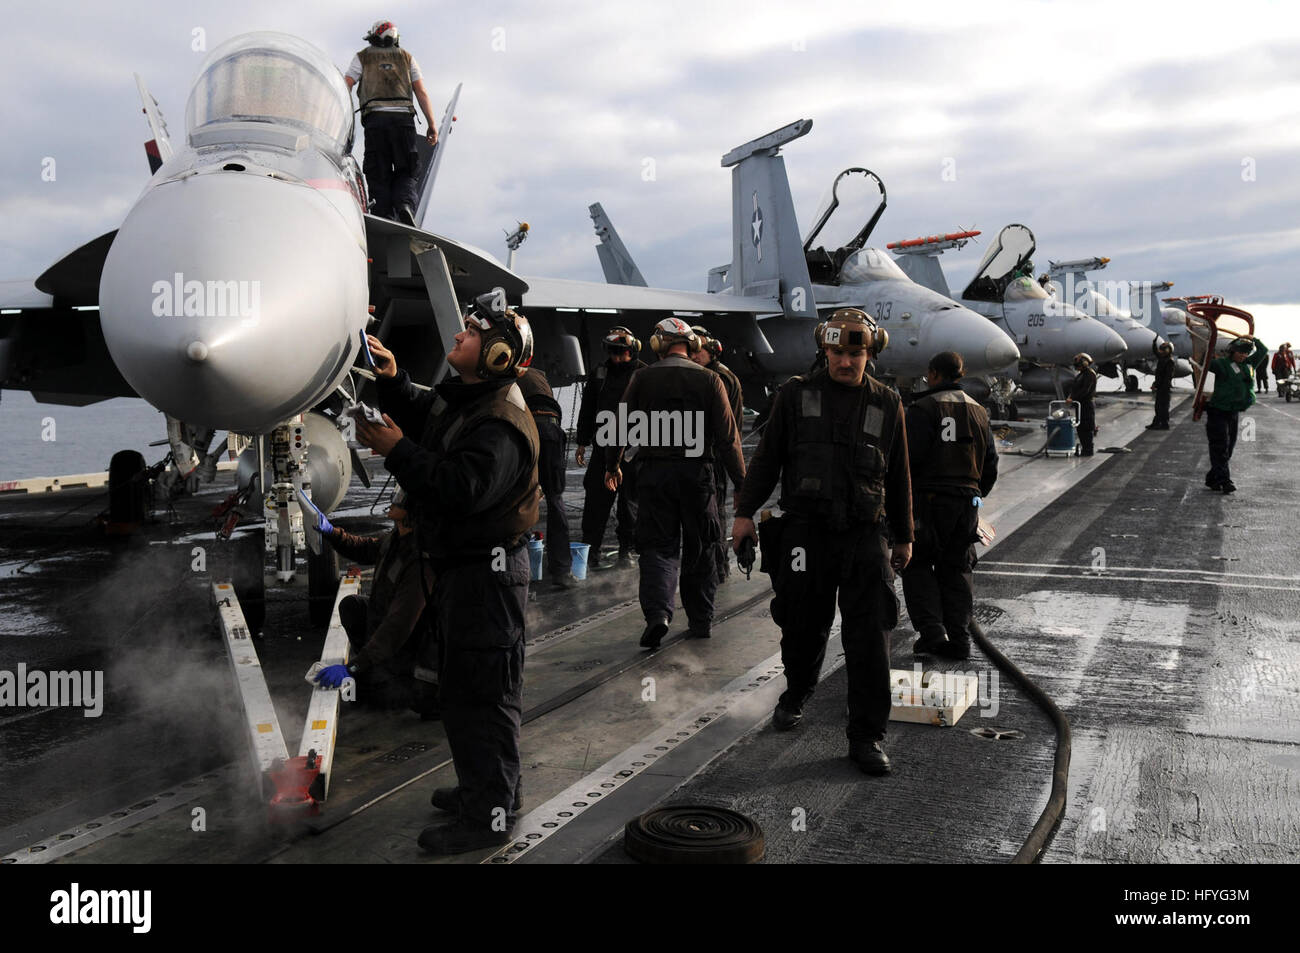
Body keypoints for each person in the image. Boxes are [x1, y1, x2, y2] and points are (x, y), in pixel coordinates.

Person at [353, 290, 540, 855]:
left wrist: (395, 451)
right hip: (467, 572)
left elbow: (460, 490)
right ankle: (493, 791)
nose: (459, 333)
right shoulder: (468, 399)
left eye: (473, 331)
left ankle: (488, 817)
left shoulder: (500, 422)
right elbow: (430, 411)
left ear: (499, 356)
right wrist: (392, 381)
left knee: (482, 695)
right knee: (465, 690)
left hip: (488, 577)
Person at [731, 309, 912, 776]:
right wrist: (744, 514)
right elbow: (766, 461)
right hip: (805, 533)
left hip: (864, 535)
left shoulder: (888, 403)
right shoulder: (794, 396)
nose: (846, 362)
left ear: (869, 354)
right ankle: (796, 694)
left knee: (871, 638)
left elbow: (900, 476)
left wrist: (905, 537)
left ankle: (868, 736)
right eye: (838, 352)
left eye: (856, 353)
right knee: (802, 626)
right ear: (824, 351)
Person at [605, 318, 745, 647]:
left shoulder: (642, 377)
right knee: (702, 547)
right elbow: (729, 439)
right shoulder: (711, 379)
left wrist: (612, 465)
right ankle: (701, 620)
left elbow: (621, 424)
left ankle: (659, 615)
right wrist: (742, 485)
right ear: (692, 345)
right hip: (698, 476)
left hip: (655, 474)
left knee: (657, 547)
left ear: (658, 344)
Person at [901, 352, 997, 661]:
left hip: (928, 503)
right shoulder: (980, 411)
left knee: (916, 564)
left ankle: (932, 633)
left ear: (933, 374)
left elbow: (906, 462)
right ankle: (959, 639)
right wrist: (974, 495)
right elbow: (990, 466)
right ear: (961, 372)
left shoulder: (922, 408)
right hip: (966, 503)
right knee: (956, 568)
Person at [306, 489, 435, 712]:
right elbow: (366, 548)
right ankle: (378, 671)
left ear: (414, 512)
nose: (394, 501)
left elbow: (398, 626)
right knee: (352, 606)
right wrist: (330, 532)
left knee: (369, 699)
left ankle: (391, 679)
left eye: (401, 499)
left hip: (415, 654)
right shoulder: (396, 539)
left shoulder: (420, 560)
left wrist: (355, 667)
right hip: (396, 639)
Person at [344, 20, 439, 224]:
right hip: (403, 121)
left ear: (374, 35)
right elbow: (421, 92)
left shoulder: (362, 57)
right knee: (407, 169)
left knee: (378, 172)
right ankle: (405, 205)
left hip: (375, 121)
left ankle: (383, 217)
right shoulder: (407, 58)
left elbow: (347, 84)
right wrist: (432, 124)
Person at [574, 327, 647, 569]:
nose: (617, 358)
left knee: (630, 504)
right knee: (596, 502)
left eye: (622, 353)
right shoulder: (600, 374)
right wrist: (582, 442)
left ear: (632, 350)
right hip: (603, 449)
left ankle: (626, 551)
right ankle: (591, 551)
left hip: (633, 451)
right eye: (613, 352)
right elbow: (587, 409)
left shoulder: (644, 374)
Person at [689, 326, 744, 580]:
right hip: (716, 452)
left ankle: (718, 567)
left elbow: (721, 426)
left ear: (711, 351)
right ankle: (715, 566)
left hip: (716, 456)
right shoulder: (717, 374)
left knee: (715, 512)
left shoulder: (716, 378)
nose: (694, 355)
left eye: (698, 351)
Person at [518, 367, 578, 589]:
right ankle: (562, 572)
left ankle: (519, 569)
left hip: (528, 429)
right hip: (552, 431)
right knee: (555, 499)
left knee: (519, 498)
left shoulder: (505, 372)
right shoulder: (538, 374)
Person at [1203, 338, 1256, 494]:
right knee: (1220, 446)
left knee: (1229, 447)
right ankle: (1225, 480)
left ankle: (1213, 478)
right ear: (1232, 351)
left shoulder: (1245, 366)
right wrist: (1207, 348)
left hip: (1233, 411)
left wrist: (1253, 339)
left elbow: (1263, 351)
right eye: (1240, 352)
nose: (1243, 355)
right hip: (1217, 410)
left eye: (1246, 352)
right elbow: (1204, 363)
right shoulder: (1221, 364)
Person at [1069, 352, 1098, 456]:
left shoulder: (1090, 374)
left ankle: (1088, 450)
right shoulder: (1082, 374)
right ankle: (1085, 448)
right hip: (1080, 404)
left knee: (1087, 427)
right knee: (1080, 427)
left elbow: (1085, 390)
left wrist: (1073, 398)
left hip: (1087, 405)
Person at [1147, 341, 1175, 430]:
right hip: (1160, 387)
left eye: (1163, 350)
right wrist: (1154, 342)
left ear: (1168, 351)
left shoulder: (1169, 361)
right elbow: (1156, 352)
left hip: (1164, 388)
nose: (1161, 352)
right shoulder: (1163, 358)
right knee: (1158, 407)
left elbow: (1167, 377)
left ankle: (1164, 425)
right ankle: (1156, 423)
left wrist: (1162, 387)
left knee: (1163, 407)